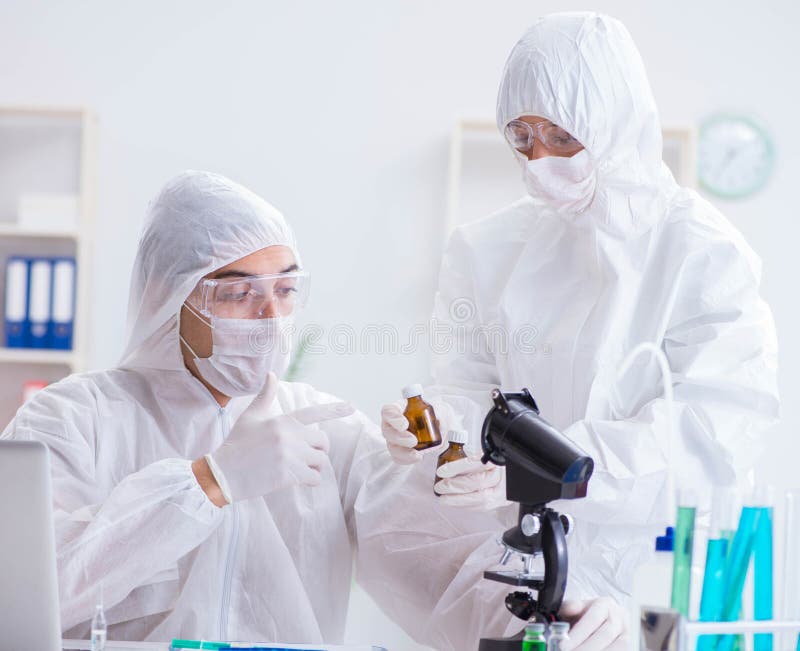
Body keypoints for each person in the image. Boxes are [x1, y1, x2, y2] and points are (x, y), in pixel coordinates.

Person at [382, 10, 779, 647]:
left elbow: (713, 431)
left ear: (614, 123)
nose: (539, 160)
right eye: (521, 137)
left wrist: (562, 461)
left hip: (656, 570)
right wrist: (439, 434)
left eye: (561, 136)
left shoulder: (700, 252)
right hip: (526, 564)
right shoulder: (489, 249)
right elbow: (467, 388)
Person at [3, 170, 529, 649]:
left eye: (284, 289)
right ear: (169, 295)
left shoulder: (330, 430)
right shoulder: (73, 419)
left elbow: (445, 573)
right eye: (237, 292)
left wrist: (550, 617)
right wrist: (209, 481)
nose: (270, 317)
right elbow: (25, 593)